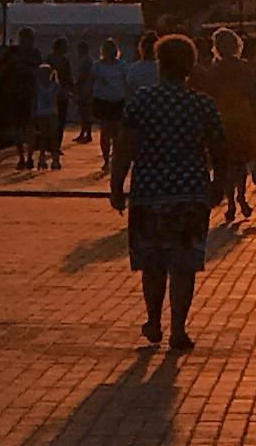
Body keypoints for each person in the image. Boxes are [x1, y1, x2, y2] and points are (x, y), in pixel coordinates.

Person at [121, 31, 224, 353]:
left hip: (149, 190)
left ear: (159, 64)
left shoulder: (142, 100)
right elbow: (220, 149)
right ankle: (179, 328)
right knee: (184, 263)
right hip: (190, 191)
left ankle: (153, 321)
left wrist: (115, 184)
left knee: (152, 262)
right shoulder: (202, 105)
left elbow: (126, 145)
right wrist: (217, 185)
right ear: (191, 67)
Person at [205, 33, 256, 226]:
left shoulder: (214, 70)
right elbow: (253, 93)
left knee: (227, 162)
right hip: (243, 116)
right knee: (241, 162)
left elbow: (209, 96)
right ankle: (242, 197)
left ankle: (230, 202)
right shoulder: (245, 67)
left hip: (223, 117)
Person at [94, 37, 143, 207]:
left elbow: (128, 83)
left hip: (118, 100)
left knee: (117, 132)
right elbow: (92, 79)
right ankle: (106, 159)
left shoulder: (122, 66)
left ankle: (114, 157)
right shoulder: (98, 66)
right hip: (103, 100)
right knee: (105, 131)